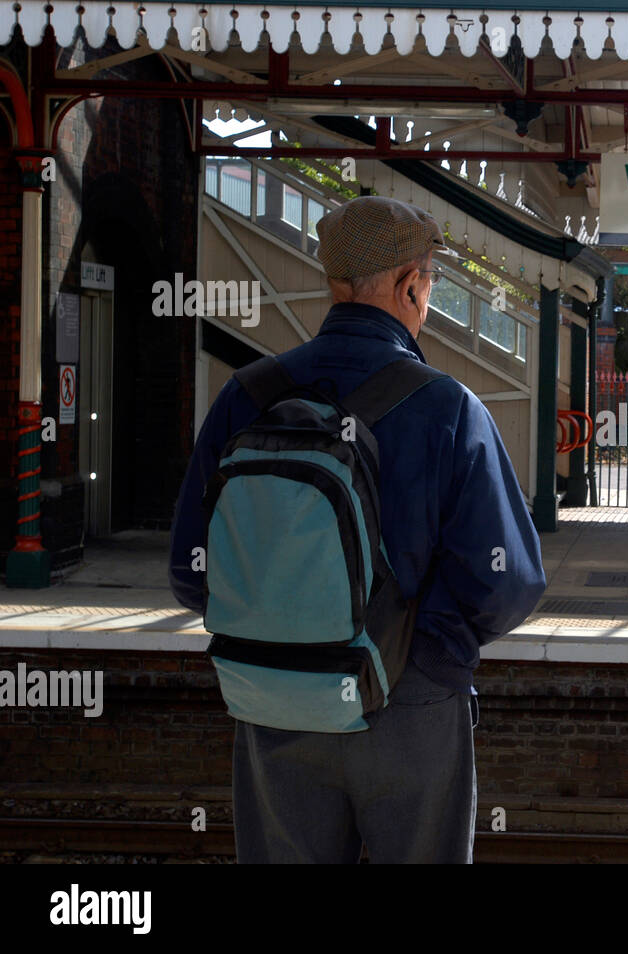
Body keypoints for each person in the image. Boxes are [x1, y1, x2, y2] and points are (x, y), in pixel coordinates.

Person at [168, 196, 546, 863]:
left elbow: (190, 569)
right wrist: (427, 650)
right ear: (410, 285)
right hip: (411, 704)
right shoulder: (448, 408)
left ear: (332, 281)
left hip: (275, 701)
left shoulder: (246, 396)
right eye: (430, 283)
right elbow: (507, 582)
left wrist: (282, 623)